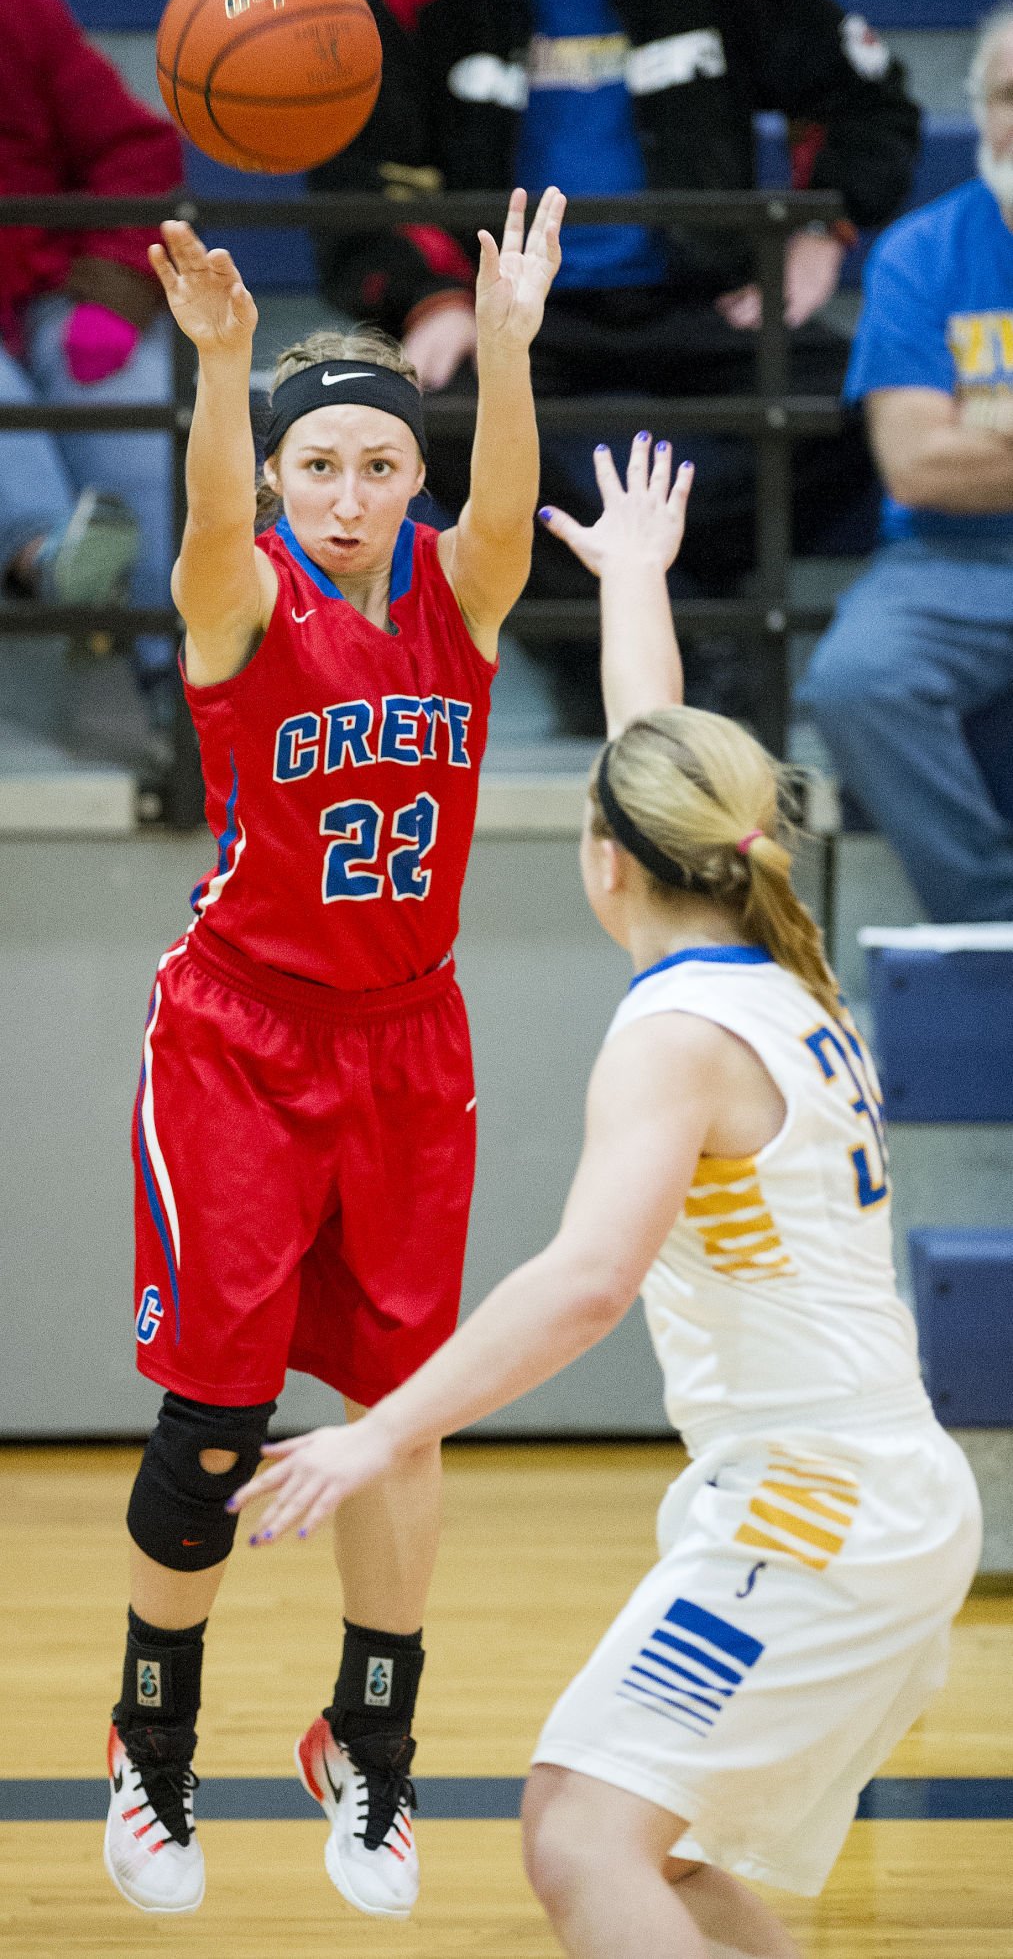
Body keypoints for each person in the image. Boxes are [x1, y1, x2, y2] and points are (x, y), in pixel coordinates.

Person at [231, 436, 981, 1957]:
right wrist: (634, 578)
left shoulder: (678, 1033)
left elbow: (584, 1281)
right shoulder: (770, 963)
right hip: (865, 1493)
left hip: (815, 1508)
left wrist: (381, 1427)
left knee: (582, 1834)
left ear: (605, 859)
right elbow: (657, 757)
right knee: (655, 1854)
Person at [103, 185, 565, 1921]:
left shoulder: (461, 591)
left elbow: (506, 502)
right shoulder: (236, 599)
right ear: (282, 483)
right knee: (219, 1413)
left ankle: (370, 1737)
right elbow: (209, 516)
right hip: (240, 1034)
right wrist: (225, 370)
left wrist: (506, 351)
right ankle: (151, 1740)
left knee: (401, 1408)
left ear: (413, 480)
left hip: (404, 1042)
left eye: (380, 466)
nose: (352, 496)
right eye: (322, 469)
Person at [308, 0, 919, 733]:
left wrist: (818, 226)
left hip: (701, 301)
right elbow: (355, 170)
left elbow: (868, 101)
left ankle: (650, 589)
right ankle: (662, 636)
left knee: (866, 398)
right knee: (414, 421)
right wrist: (436, 299)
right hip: (513, 313)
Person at [800, 2, 1013, 921]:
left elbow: (951, 444)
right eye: (1005, 96)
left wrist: (985, 429)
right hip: (948, 561)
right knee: (856, 680)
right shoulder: (921, 252)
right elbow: (919, 467)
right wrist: (955, 448)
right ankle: (989, 928)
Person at [0, 0, 182, 722]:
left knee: (137, 418)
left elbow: (136, 153)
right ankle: (49, 560)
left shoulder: (17, 5)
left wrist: (113, 288)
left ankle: (187, 692)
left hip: (52, 285)